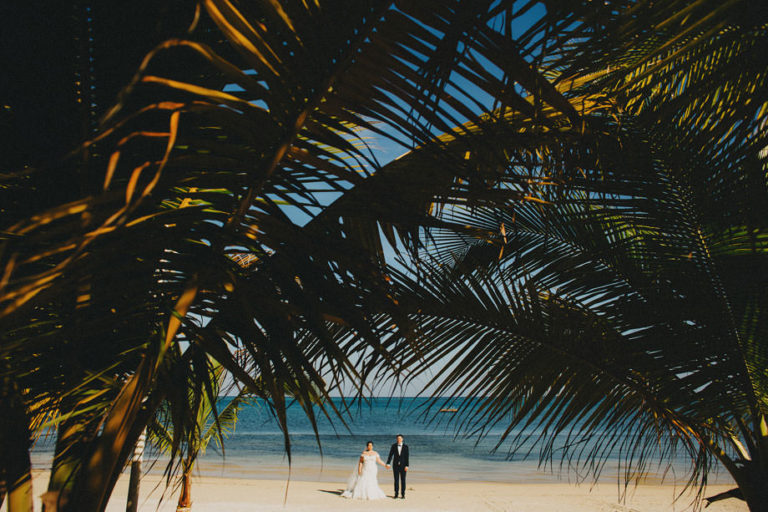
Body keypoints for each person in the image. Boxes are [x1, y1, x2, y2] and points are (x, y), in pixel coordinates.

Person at [385, 434, 409, 499]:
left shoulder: (406, 447)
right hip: (395, 465)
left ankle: (403, 494)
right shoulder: (393, 446)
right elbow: (390, 455)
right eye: (397, 438)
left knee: (403, 480)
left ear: (402, 439)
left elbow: (407, 457)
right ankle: (396, 494)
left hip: (403, 466)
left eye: (400, 438)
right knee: (396, 480)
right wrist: (388, 463)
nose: (398, 439)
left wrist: (407, 465)